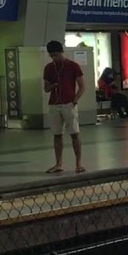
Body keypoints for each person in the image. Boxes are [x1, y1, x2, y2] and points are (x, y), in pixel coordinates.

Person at [43, 40, 85, 173]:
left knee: (74, 133)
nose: (54, 58)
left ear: (62, 52)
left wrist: (75, 99)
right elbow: (46, 88)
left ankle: (78, 163)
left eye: (56, 55)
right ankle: (58, 163)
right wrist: (52, 85)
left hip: (69, 104)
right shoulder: (49, 68)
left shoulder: (73, 66)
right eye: (51, 56)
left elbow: (82, 86)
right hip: (54, 104)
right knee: (57, 134)